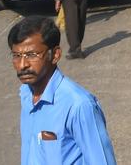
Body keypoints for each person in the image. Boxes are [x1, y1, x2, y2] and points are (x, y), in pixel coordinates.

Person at [9, 16, 116, 164]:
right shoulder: (26, 94)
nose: (22, 65)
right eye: (16, 56)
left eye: (32, 55)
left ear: (55, 55)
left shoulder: (79, 105)